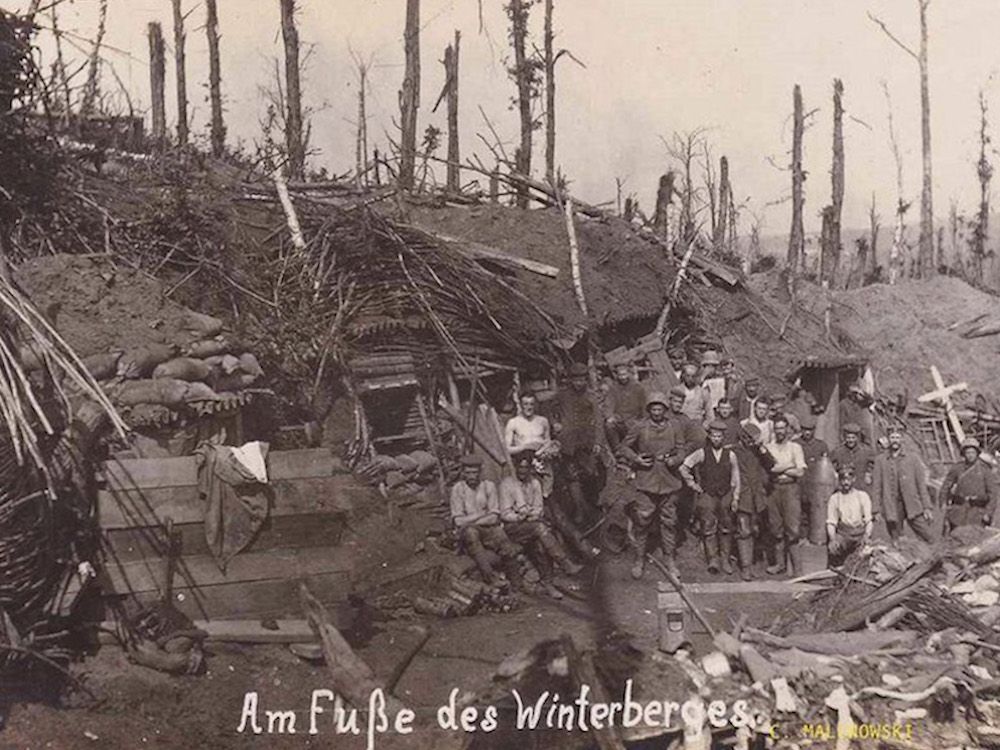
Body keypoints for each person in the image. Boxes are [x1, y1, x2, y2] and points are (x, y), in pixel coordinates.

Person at [618, 391, 696, 580]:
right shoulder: (640, 426)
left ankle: (670, 558)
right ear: (649, 410)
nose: (657, 412)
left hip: (669, 480)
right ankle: (639, 558)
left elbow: (682, 449)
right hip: (647, 480)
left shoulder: (674, 426)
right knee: (642, 521)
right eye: (653, 409)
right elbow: (623, 447)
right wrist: (636, 459)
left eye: (660, 409)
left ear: (665, 409)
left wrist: (675, 460)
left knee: (669, 522)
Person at [499, 455, 584, 592]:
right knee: (540, 528)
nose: (522, 471)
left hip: (532, 524)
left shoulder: (534, 483)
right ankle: (564, 562)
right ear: (515, 467)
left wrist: (530, 515)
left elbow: (538, 508)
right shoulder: (507, 484)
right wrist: (519, 517)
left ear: (530, 469)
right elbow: (505, 514)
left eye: (526, 467)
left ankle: (548, 583)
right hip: (513, 528)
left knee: (540, 543)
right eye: (520, 467)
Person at [449, 456, 523, 586]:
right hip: (467, 532)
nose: (471, 476)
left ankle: (517, 583)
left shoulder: (488, 486)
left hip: (488, 528)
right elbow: (459, 522)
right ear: (463, 473)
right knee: (471, 533)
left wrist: (471, 520)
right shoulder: (458, 489)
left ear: (480, 472)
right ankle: (491, 577)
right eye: (468, 473)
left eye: (474, 472)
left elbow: (494, 517)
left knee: (501, 536)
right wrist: (481, 514)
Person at [680, 420, 741, 574]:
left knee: (726, 527)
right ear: (709, 436)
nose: (716, 439)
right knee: (708, 527)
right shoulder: (701, 453)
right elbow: (684, 467)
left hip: (725, 495)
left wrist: (735, 497)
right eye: (714, 436)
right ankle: (713, 560)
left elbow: (736, 477)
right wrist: (692, 484)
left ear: (723, 437)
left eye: (719, 436)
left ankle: (725, 559)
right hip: (707, 495)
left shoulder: (730, 455)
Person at [551, 362, 606, 526]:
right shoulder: (562, 395)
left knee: (590, 473)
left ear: (586, 380)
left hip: (586, 442)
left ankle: (594, 503)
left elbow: (598, 420)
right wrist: (555, 423)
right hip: (568, 443)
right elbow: (548, 409)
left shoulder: (591, 396)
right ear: (570, 380)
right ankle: (580, 510)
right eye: (576, 380)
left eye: (582, 380)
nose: (579, 383)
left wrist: (598, 441)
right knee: (571, 476)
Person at [870, 427, 936, 545]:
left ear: (902, 439)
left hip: (911, 503)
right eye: (892, 437)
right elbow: (876, 487)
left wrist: (927, 507)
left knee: (928, 536)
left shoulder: (913, 458)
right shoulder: (881, 460)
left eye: (897, 437)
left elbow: (921, 485)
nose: (895, 440)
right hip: (892, 504)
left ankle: (933, 553)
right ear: (888, 439)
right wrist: (876, 509)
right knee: (896, 539)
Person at [732, 423, 776, 580]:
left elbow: (771, 464)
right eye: (750, 439)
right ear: (743, 437)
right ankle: (745, 567)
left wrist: (762, 448)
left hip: (756, 496)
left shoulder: (758, 451)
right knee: (744, 531)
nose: (752, 443)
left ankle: (751, 564)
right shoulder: (733, 451)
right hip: (742, 495)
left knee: (754, 530)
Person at [765, 415, 807, 576]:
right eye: (777, 429)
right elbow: (770, 469)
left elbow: (800, 472)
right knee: (775, 527)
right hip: (774, 489)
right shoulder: (769, 447)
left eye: (782, 428)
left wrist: (780, 467)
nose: (780, 431)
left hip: (791, 489)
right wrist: (789, 465)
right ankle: (780, 564)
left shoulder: (795, 448)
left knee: (793, 528)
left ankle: (797, 569)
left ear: (788, 429)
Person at [939, 437, 1000, 533]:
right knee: (955, 536)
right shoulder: (957, 469)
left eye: (972, 452)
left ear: (977, 453)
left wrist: (988, 513)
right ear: (963, 454)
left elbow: (993, 495)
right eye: (968, 452)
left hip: (977, 512)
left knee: (974, 537)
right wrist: (943, 503)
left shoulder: (985, 470)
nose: (970, 455)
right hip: (958, 511)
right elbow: (945, 487)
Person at [826, 466, 873, 566]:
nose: (846, 483)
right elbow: (831, 522)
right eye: (843, 480)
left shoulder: (862, 496)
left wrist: (867, 535)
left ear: (854, 479)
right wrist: (832, 539)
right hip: (844, 534)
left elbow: (868, 520)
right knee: (833, 549)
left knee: (868, 554)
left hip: (860, 534)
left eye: (848, 479)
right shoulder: (835, 498)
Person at [603, 361, 647, 450]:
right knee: (609, 426)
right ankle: (617, 449)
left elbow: (644, 405)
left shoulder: (638, 387)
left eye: (624, 374)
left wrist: (644, 419)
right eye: (620, 375)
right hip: (620, 419)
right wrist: (609, 416)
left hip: (634, 419)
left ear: (629, 373)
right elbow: (609, 404)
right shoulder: (613, 388)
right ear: (617, 376)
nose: (623, 377)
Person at [830, 423, 875, 489]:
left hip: (861, 486)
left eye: (853, 438)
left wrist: (869, 473)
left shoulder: (866, 451)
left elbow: (874, 465)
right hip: (844, 486)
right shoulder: (838, 451)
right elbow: (831, 466)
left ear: (857, 438)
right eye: (848, 438)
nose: (851, 440)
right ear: (844, 438)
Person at [700, 350, 727, 419]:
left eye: (713, 366)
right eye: (707, 366)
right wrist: (703, 377)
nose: (711, 369)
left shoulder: (721, 379)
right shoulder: (699, 379)